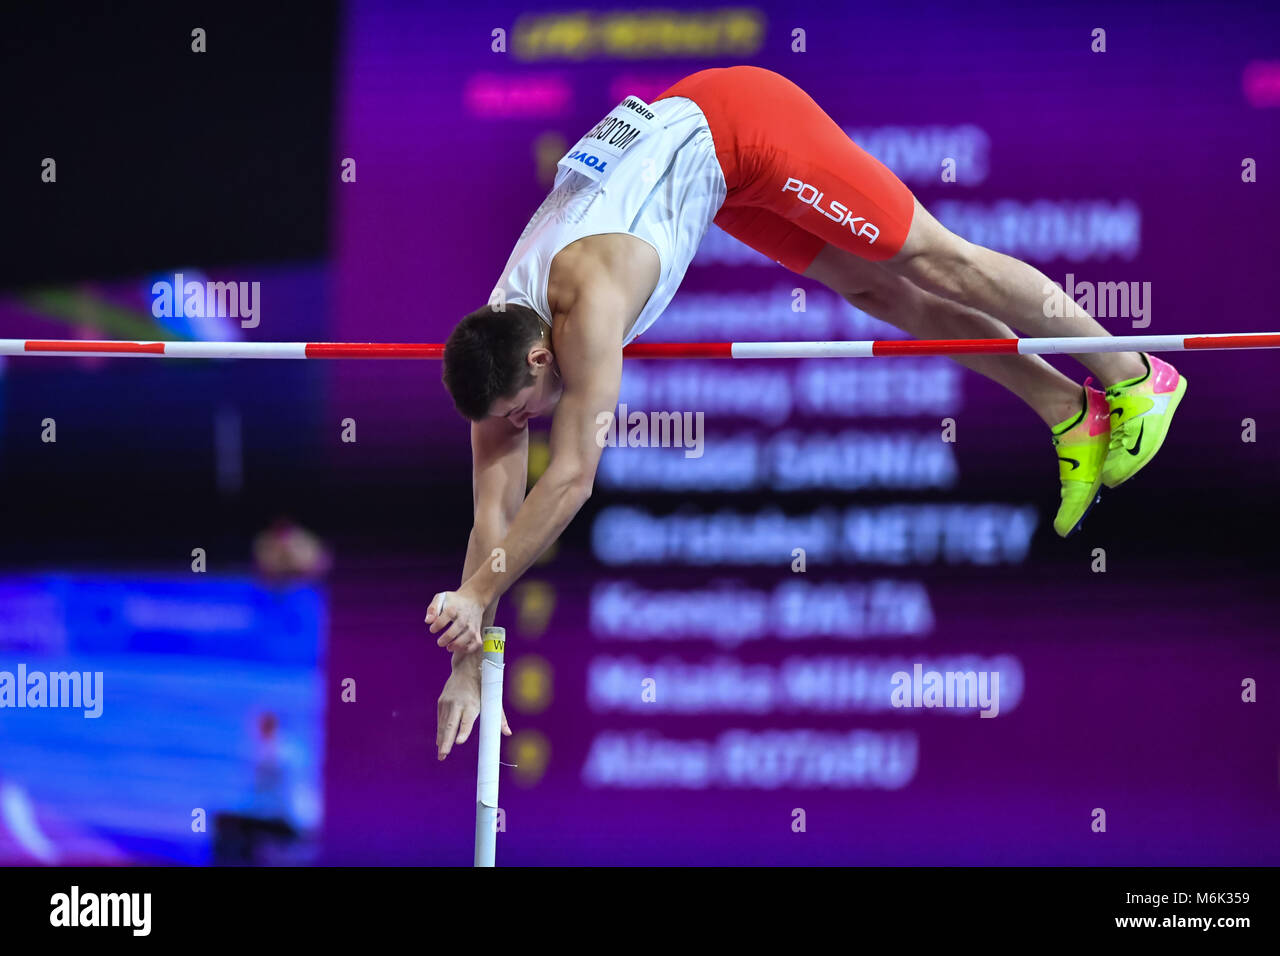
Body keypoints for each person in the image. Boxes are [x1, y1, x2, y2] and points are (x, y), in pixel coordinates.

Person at [429, 66, 1187, 759]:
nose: (520, 424)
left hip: (747, 125)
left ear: (538, 360)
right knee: (882, 294)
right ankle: (1068, 412)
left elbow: (567, 482)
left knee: (934, 258)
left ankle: (1135, 375)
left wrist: (476, 595)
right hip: (718, 175)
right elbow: (492, 519)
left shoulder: (584, 312)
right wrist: (470, 658)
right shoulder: (500, 340)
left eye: (523, 413)